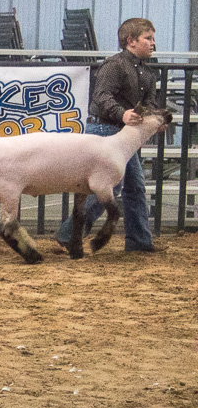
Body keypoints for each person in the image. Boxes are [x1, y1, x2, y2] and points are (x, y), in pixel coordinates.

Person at [55, 18, 162, 252]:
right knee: (112, 187)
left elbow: (149, 105)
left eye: (153, 38)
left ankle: (138, 242)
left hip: (121, 134)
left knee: (131, 185)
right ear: (131, 41)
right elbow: (101, 97)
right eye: (148, 38)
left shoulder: (147, 73)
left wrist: (156, 119)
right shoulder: (115, 65)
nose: (153, 43)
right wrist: (122, 114)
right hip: (105, 130)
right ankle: (69, 236)